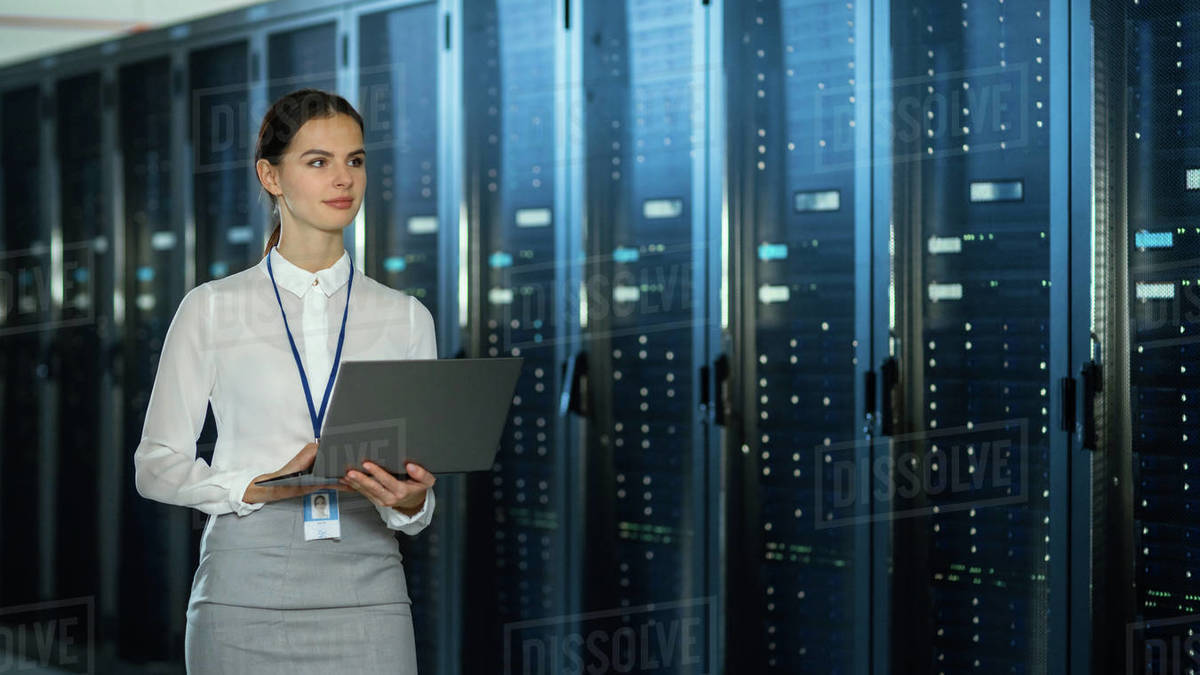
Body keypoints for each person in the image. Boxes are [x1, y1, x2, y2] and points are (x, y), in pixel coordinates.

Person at [133, 88, 436, 674]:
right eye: (318, 162)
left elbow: (417, 488)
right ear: (270, 176)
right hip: (243, 593)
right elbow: (156, 465)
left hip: (368, 591)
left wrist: (415, 500)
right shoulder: (212, 308)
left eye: (355, 160)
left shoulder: (404, 316)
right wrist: (256, 486)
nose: (343, 179)